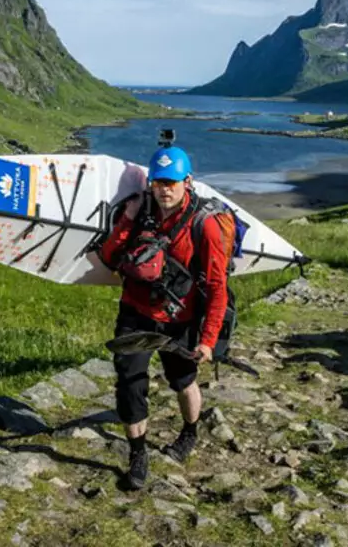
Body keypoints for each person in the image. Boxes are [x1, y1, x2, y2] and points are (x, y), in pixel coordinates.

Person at [96, 144, 236, 490]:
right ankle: (137, 453)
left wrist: (207, 340)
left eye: (172, 182)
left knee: (184, 382)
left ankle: (189, 432)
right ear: (151, 183)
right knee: (130, 384)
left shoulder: (206, 225)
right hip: (135, 312)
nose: (165, 189)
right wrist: (127, 219)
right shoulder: (139, 211)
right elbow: (110, 256)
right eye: (159, 182)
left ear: (187, 181)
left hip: (179, 319)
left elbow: (218, 287)